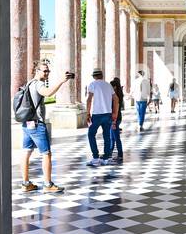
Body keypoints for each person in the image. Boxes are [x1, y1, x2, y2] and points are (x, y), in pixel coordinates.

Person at [18, 60, 72, 194]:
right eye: (45, 70)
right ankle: (47, 184)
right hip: (36, 124)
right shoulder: (38, 84)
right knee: (46, 154)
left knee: (26, 152)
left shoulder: (29, 83)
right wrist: (61, 81)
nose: (47, 73)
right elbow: (47, 93)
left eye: (48, 71)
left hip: (27, 123)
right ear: (37, 71)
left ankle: (26, 183)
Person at [84, 67, 115, 166]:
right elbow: (116, 99)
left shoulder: (92, 84)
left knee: (91, 134)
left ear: (94, 76)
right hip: (108, 114)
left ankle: (96, 157)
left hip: (97, 114)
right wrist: (115, 113)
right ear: (102, 76)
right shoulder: (108, 85)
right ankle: (105, 158)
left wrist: (87, 113)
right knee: (107, 136)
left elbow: (89, 100)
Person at [108, 77, 126, 164]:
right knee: (112, 137)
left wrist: (114, 121)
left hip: (115, 118)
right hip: (116, 117)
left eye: (111, 86)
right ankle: (110, 152)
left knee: (116, 137)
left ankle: (120, 154)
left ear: (114, 87)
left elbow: (116, 108)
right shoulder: (118, 94)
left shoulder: (116, 96)